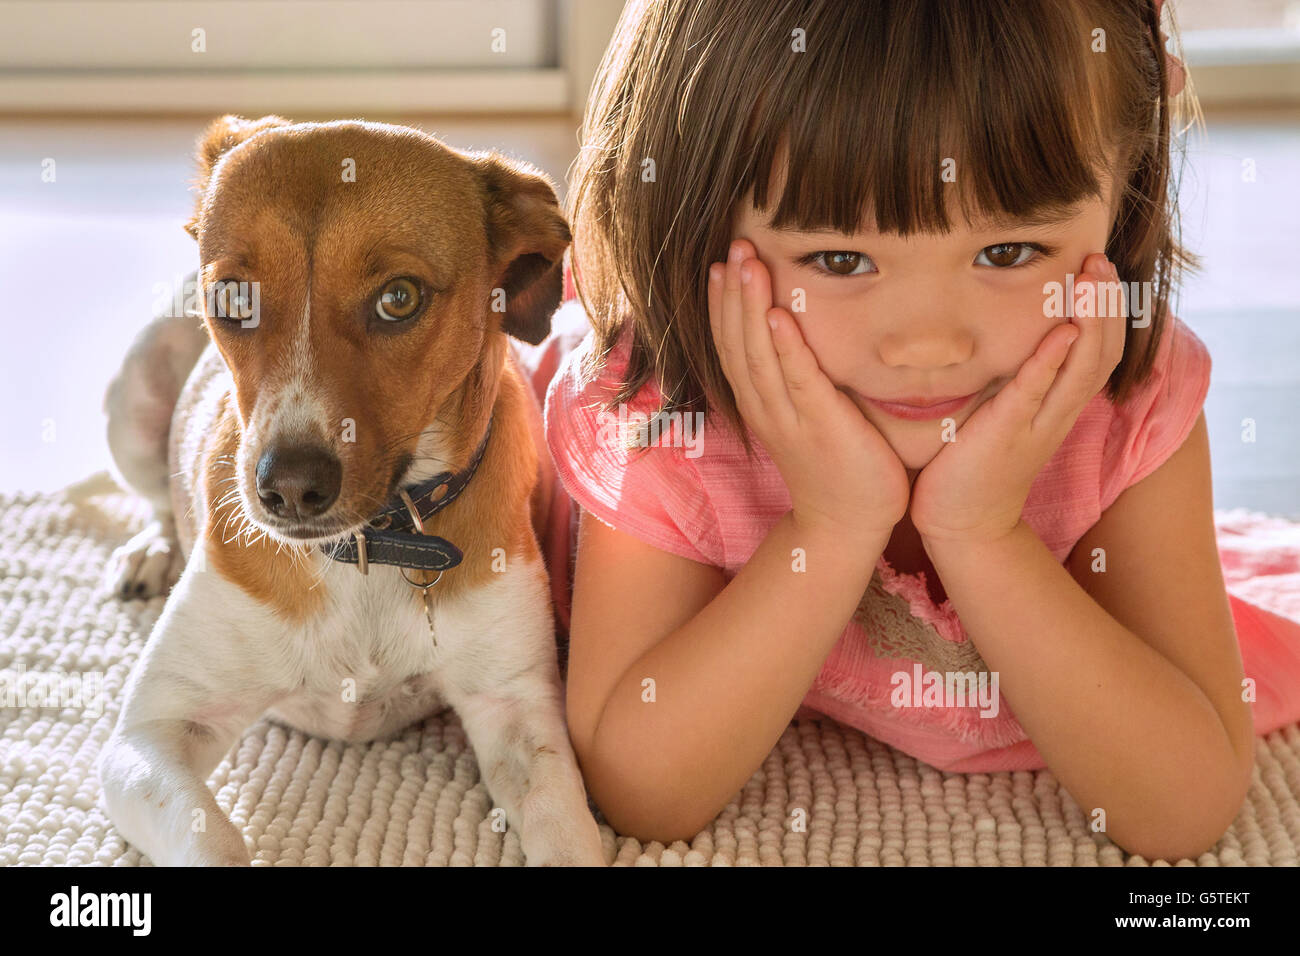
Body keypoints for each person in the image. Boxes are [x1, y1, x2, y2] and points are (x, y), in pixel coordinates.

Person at [515, 0, 1300, 860]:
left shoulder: (1123, 405)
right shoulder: (664, 413)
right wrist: (833, 525)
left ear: (1129, 189)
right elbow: (641, 788)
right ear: (689, 227)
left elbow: (1183, 806)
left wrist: (983, 532)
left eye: (1009, 253)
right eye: (841, 260)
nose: (929, 345)